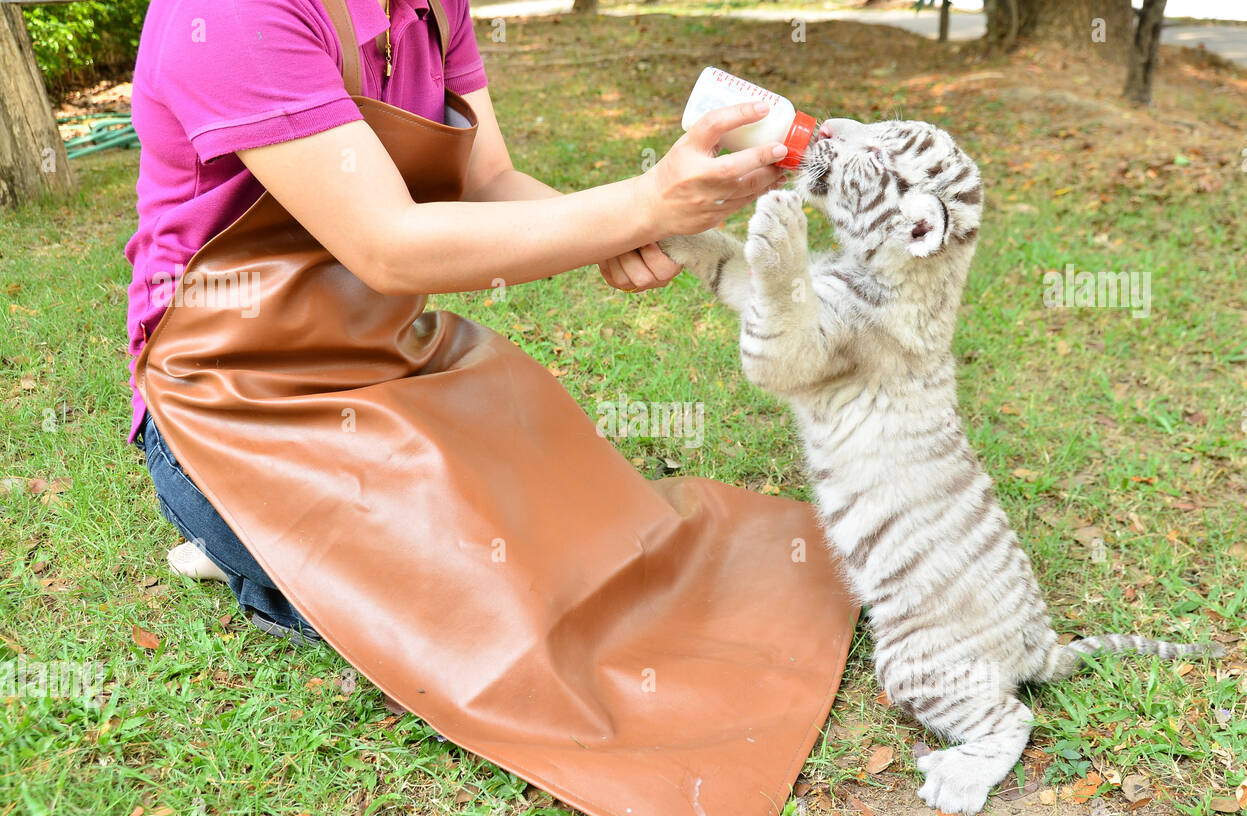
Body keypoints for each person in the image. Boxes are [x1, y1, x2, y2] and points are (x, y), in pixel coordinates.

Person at [126, 0, 791, 643]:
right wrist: (643, 203)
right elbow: (386, 244)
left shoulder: (435, 6)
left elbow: (491, 177)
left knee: (562, 526)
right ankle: (239, 544)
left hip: (379, 358)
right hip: (228, 405)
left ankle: (260, 544)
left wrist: (625, 228)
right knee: (469, 605)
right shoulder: (232, 13)